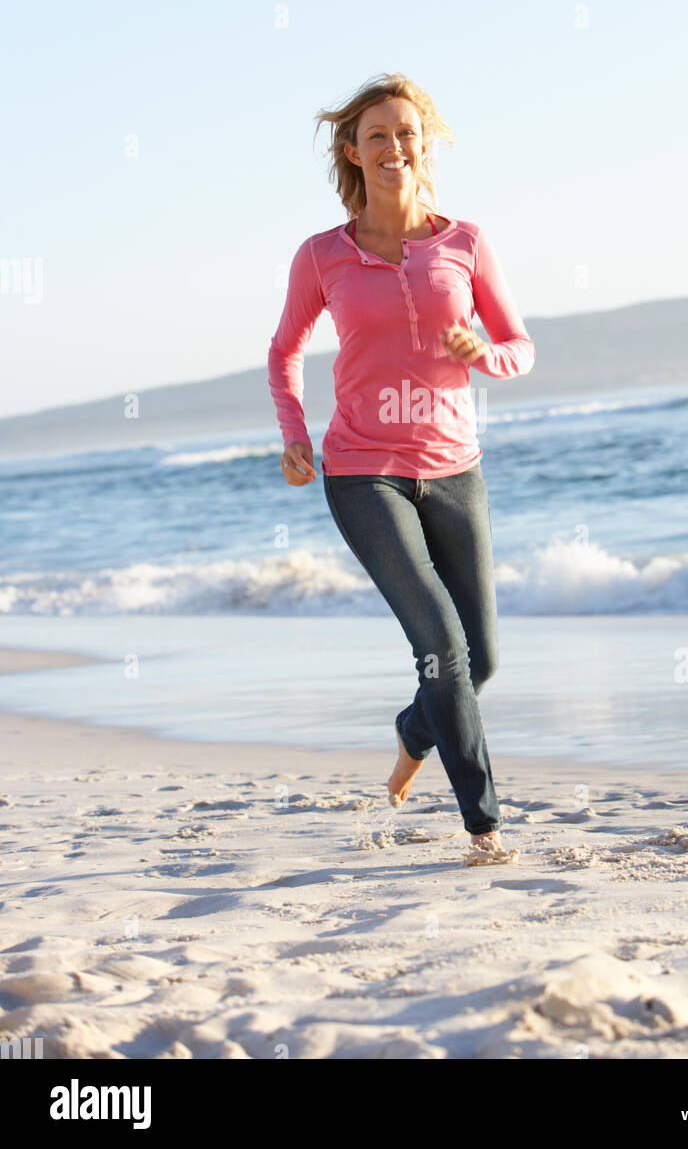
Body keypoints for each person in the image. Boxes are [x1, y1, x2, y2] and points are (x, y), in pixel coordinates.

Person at [267, 73, 535, 855]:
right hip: (362, 471)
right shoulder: (323, 257)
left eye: (407, 133)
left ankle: (413, 732)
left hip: (455, 468)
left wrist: (483, 353)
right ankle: (484, 826)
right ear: (354, 151)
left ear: (428, 144)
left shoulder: (467, 243)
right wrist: (294, 431)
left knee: (477, 661)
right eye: (377, 135)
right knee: (443, 647)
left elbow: (520, 347)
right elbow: (286, 351)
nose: (394, 147)